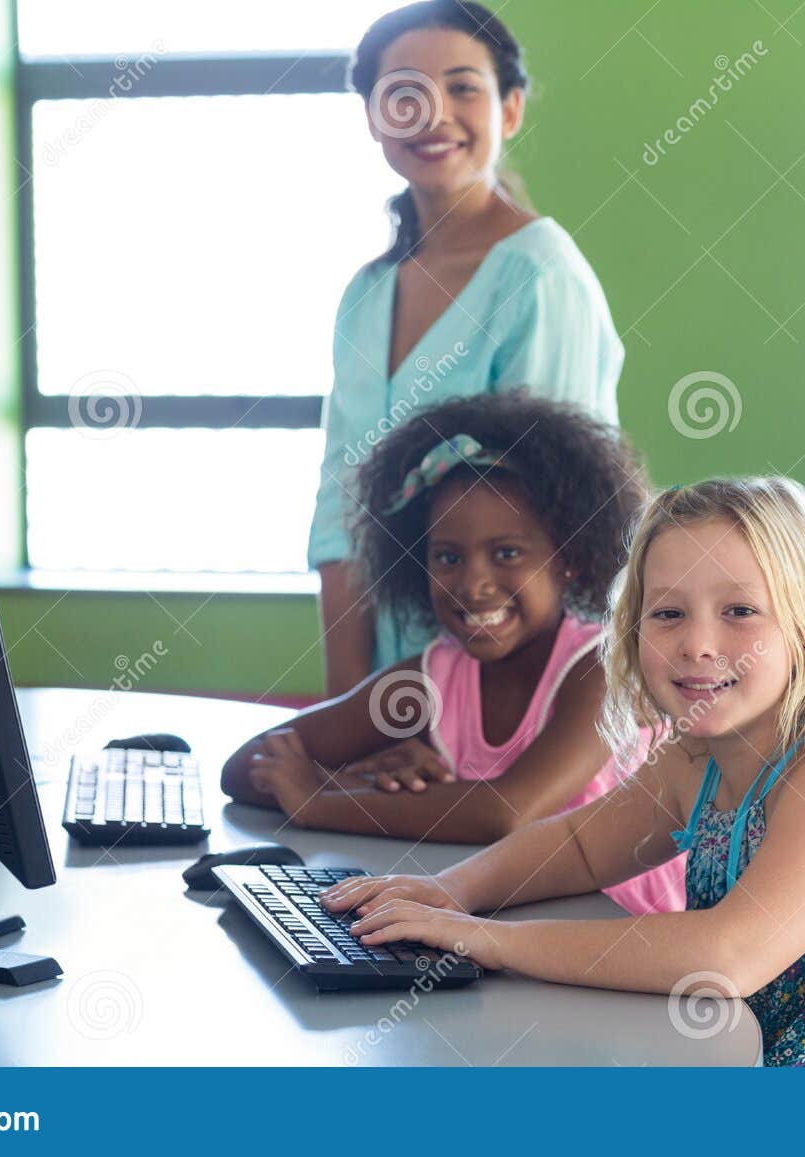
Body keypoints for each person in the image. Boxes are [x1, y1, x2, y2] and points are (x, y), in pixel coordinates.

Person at [315, 477, 805, 1065]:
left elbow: (727, 955)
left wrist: (487, 939)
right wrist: (452, 890)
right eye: (668, 613)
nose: (698, 644)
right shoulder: (694, 757)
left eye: (739, 611)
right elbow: (577, 844)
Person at [226, 393, 683, 915]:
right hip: (499, 918)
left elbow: (507, 810)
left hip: (618, 930)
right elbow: (247, 767)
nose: (474, 583)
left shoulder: (603, 670)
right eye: (447, 557)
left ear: (569, 560)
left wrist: (317, 802)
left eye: (507, 553)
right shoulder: (433, 679)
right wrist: (362, 779)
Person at [311, 1, 627, 697]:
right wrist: (349, 713)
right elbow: (341, 523)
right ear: (372, 116)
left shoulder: (541, 277)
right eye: (403, 93)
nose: (433, 114)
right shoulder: (366, 296)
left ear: (510, 110)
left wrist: (480, 730)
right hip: (395, 695)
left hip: (513, 705)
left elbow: (551, 530)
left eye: (462, 87)